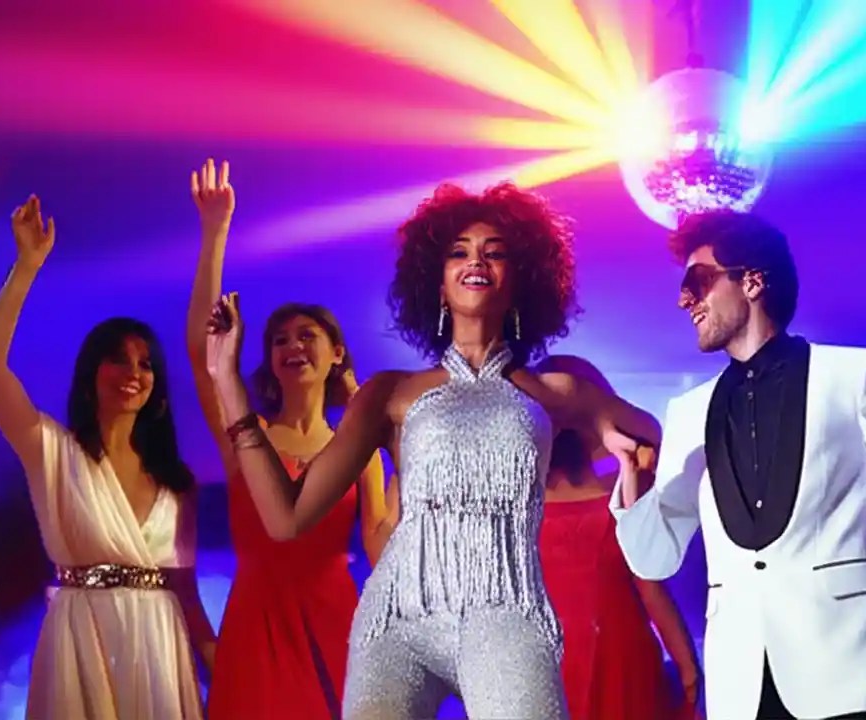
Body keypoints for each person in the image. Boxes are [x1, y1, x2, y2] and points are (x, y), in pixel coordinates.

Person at [204, 182, 660, 719]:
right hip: (398, 616)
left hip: (507, 611)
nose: (477, 261)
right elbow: (285, 519)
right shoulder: (390, 394)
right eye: (459, 251)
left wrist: (614, 440)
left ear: (521, 281)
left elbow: (651, 436)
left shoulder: (555, 392)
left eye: (495, 252)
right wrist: (225, 379)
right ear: (438, 284)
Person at [611, 210, 866, 720]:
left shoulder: (849, 375)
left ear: (753, 281)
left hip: (841, 669)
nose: (684, 300)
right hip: (740, 681)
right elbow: (654, 558)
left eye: (697, 282)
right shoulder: (687, 413)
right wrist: (633, 484)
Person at [0, 195, 213, 719]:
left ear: (157, 385)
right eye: (118, 358)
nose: (133, 371)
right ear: (91, 372)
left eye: (146, 363)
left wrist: (224, 665)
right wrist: (26, 267)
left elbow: (187, 594)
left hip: (158, 648)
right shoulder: (53, 451)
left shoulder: (176, 482)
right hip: (78, 639)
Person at [185, 159, 392, 719]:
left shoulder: (358, 448)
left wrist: (402, 448)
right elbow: (203, 360)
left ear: (337, 354)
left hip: (336, 625)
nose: (292, 346)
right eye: (280, 339)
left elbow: (380, 544)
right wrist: (215, 231)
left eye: (308, 336)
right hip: (257, 626)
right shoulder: (242, 436)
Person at [535, 354, 702, 720]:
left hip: (612, 659)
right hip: (555, 662)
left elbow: (649, 583)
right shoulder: (515, 495)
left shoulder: (623, 481)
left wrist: (687, 666)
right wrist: (688, 668)